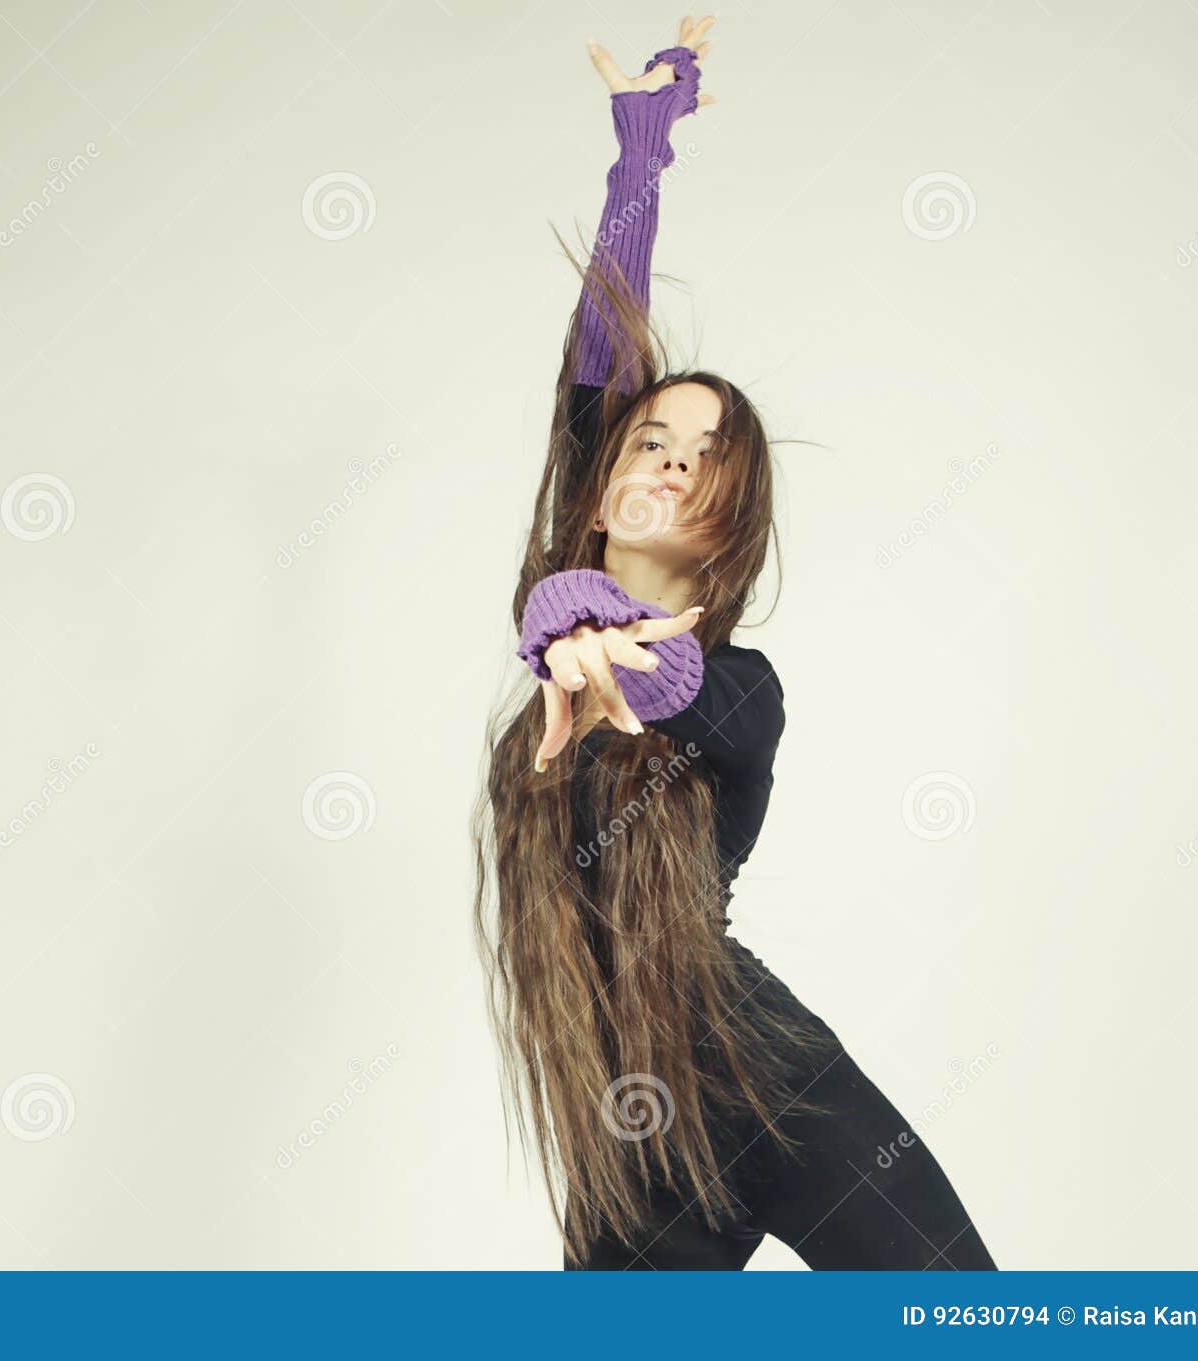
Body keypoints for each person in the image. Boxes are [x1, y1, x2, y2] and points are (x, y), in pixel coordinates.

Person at [472, 15, 996, 1271]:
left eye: (707, 457)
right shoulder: (562, 611)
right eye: (653, 438)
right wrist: (637, 165)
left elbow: (666, 674)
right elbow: (600, 359)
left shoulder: (736, 694)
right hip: (623, 1124)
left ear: (722, 532)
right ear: (599, 487)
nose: (673, 456)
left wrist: (573, 624)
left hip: (762, 1075)